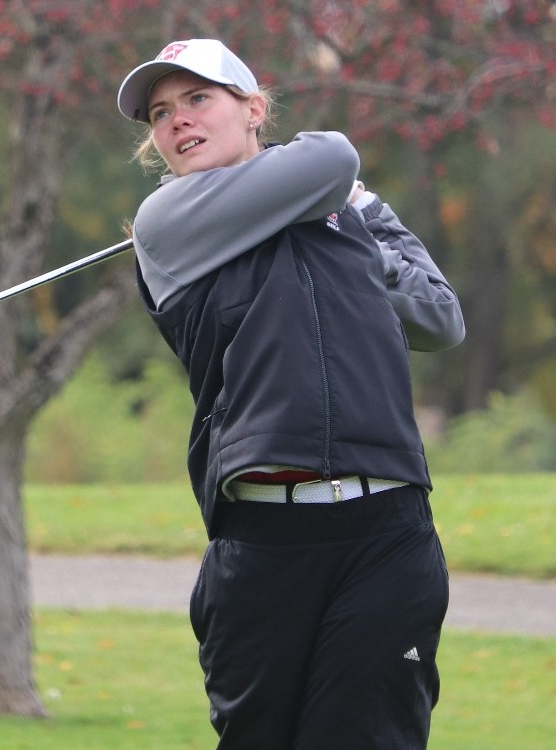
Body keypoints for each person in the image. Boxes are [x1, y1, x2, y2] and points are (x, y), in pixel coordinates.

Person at [116, 39, 466, 748]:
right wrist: (342, 191)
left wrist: (358, 209)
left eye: (196, 99)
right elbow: (333, 155)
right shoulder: (167, 223)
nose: (176, 121)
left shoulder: (339, 214)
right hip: (264, 544)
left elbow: (438, 317)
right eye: (160, 113)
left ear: (253, 110)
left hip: (386, 533)